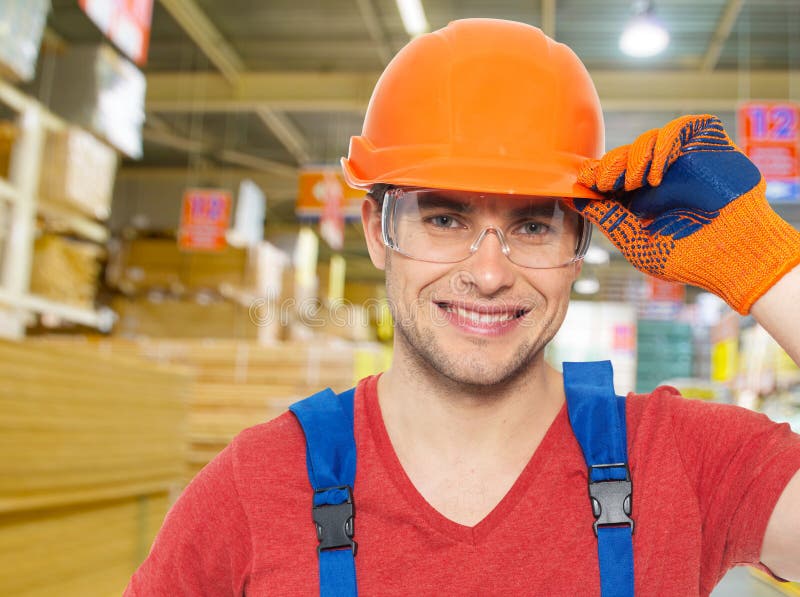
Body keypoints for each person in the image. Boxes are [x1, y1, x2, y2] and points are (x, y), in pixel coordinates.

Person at [125, 18, 800, 596]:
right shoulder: (259, 487)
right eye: (444, 218)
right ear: (376, 230)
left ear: (580, 244)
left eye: (533, 226)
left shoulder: (679, 461)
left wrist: (768, 267)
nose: (486, 272)